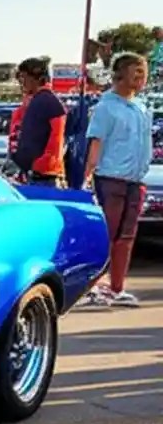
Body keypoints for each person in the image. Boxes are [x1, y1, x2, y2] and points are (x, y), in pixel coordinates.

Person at [81, 52, 152, 307]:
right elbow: (96, 143)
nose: (141, 78)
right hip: (110, 179)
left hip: (136, 180)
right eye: (136, 72)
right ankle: (94, 286)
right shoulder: (106, 106)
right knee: (106, 234)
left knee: (127, 236)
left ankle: (117, 287)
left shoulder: (142, 108)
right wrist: (87, 175)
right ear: (120, 74)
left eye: (143, 72)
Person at [10, 57, 66, 186]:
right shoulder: (45, 101)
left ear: (35, 78)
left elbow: (55, 140)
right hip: (40, 172)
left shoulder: (47, 102)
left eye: (23, 78)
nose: (21, 83)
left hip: (43, 175)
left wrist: (35, 164)